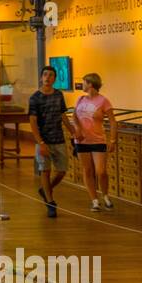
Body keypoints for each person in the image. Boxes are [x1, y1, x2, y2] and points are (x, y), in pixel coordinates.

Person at [68, 72, 117, 211]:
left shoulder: (103, 101)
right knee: (87, 170)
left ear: (90, 84)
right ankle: (94, 200)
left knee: (101, 171)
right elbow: (74, 116)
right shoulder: (80, 99)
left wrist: (113, 140)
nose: (82, 85)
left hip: (98, 139)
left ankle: (105, 195)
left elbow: (113, 122)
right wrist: (76, 130)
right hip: (82, 140)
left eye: (84, 82)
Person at [27, 65, 68, 218]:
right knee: (45, 170)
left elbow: (63, 114)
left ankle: (46, 190)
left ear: (54, 79)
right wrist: (41, 142)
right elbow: (32, 121)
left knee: (62, 171)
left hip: (59, 139)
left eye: (51, 75)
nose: (48, 77)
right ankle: (50, 202)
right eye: (45, 75)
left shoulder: (59, 95)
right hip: (43, 140)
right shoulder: (35, 98)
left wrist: (74, 132)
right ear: (41, 77)